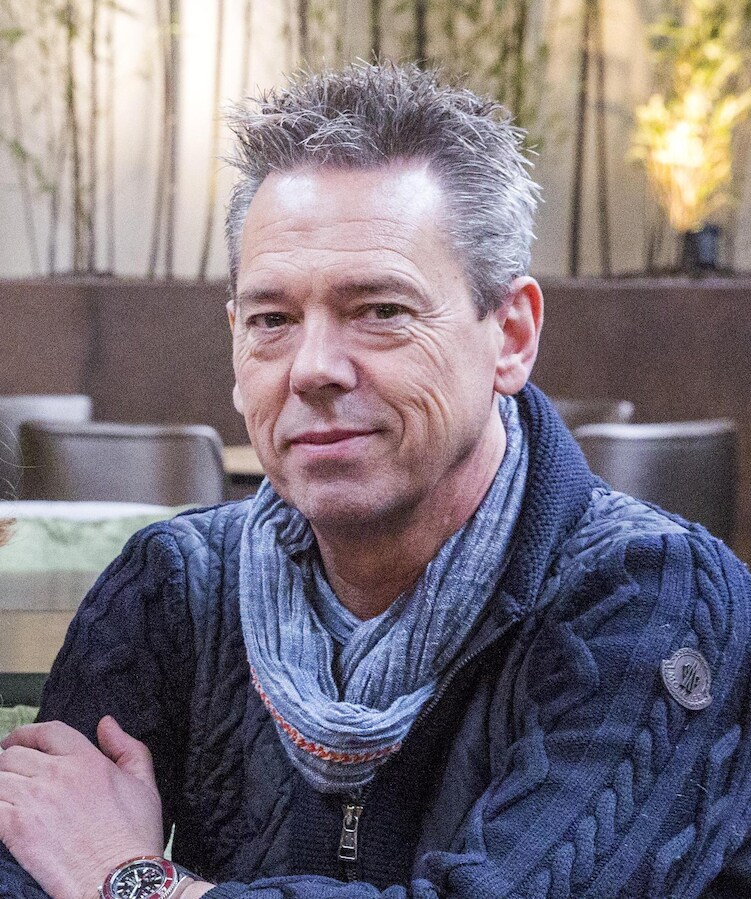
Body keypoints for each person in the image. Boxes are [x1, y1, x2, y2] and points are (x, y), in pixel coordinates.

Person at [1, 62, 750, 899]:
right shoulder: (173, 583)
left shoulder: (652, 595)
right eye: (272, 319)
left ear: (510, 335)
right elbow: (31, 856)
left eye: (380, 310)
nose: (312, 367)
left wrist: (128, 879)